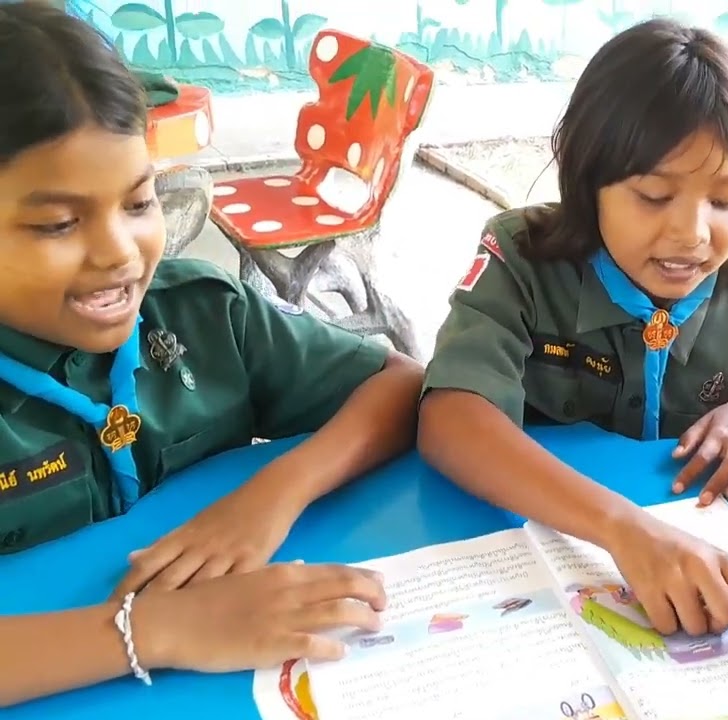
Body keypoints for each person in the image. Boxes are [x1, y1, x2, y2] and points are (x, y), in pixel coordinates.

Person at [0, 3, 423, 706]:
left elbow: (401, 384)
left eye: (139, 203)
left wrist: (274, 494)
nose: (118, 253)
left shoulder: (201, 310)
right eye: (59, 223)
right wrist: (157, 630)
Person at [417, 18, 728, 654]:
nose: (692, 234)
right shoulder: (522, 263)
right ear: (585, 178)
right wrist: (622, 530)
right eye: (654, 195)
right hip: (529, 568)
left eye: (727, 199)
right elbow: (452, 417)